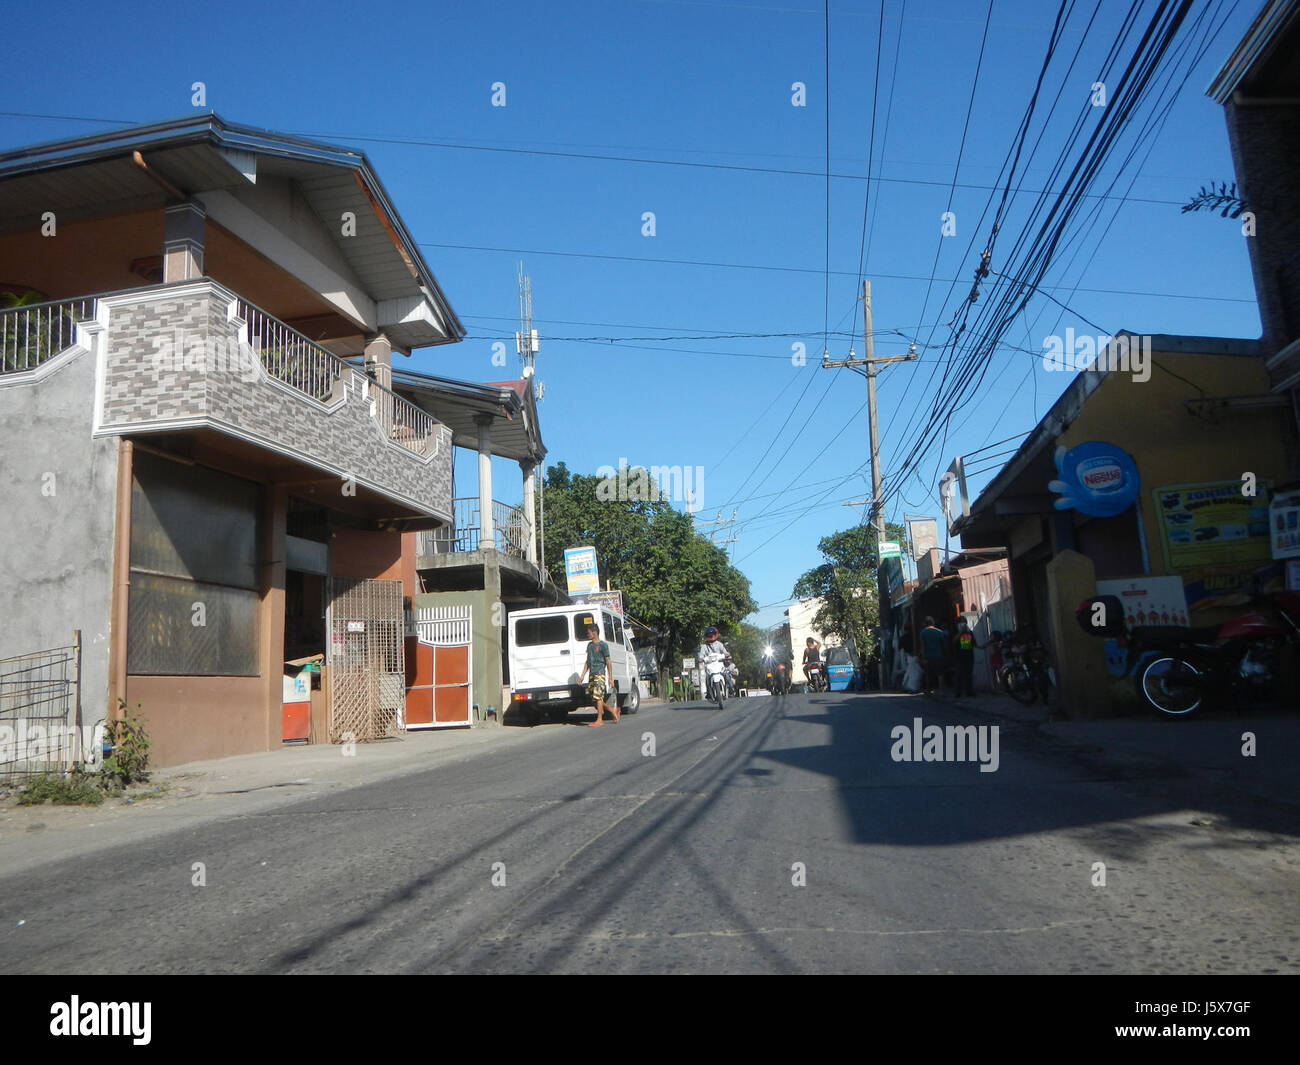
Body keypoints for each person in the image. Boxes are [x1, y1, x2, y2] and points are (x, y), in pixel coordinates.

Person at [580, 622, 618, 726]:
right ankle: (613, 710)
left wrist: (610, 678)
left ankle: (599, 720)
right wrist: (582, 675)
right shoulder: (590, 645)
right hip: (592, 674)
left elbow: (608, 661)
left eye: (589, 633)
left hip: (600, 674)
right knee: (594, 700)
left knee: (598, 697)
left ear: (595, 632)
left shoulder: (603, 645)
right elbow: (588, 662)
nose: (588, 635)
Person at [698, 626, 731, 703]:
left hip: (719, 664)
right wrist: (701, 659)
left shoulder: (719, 644)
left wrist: (726, 655)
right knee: (707, 678)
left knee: (726, 674)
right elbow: (701, 656)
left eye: (712, 634)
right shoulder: (704, 647)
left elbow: (725, 652)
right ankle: (709, 693)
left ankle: (730, 690)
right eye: (709, 635)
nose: (711, 636)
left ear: (715, 634)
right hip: (710, 666)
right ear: (706, 636)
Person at [918, 616, 947, 695]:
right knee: (940, 674)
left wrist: (923, 657)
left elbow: (923, 646)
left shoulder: (923, 632)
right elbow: (943, 644)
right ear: (933, 623)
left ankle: (928, 690)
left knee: (928, 674)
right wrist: (944, 654)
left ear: (925, 624)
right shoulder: (939, 632)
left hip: (928, 656)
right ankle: (941, 690)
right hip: (939, 655)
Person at [952, 617, 977, 698]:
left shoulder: (969, 632)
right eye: (961, 623)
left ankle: (969, 692)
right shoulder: (955, 632)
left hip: (969, 656)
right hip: (959, 657)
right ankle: (957, 692)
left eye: (964, 623)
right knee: (959, 675)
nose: (963, 625)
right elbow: (953, 641)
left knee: (968, 675)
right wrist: (960, 633)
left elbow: (973, 644)